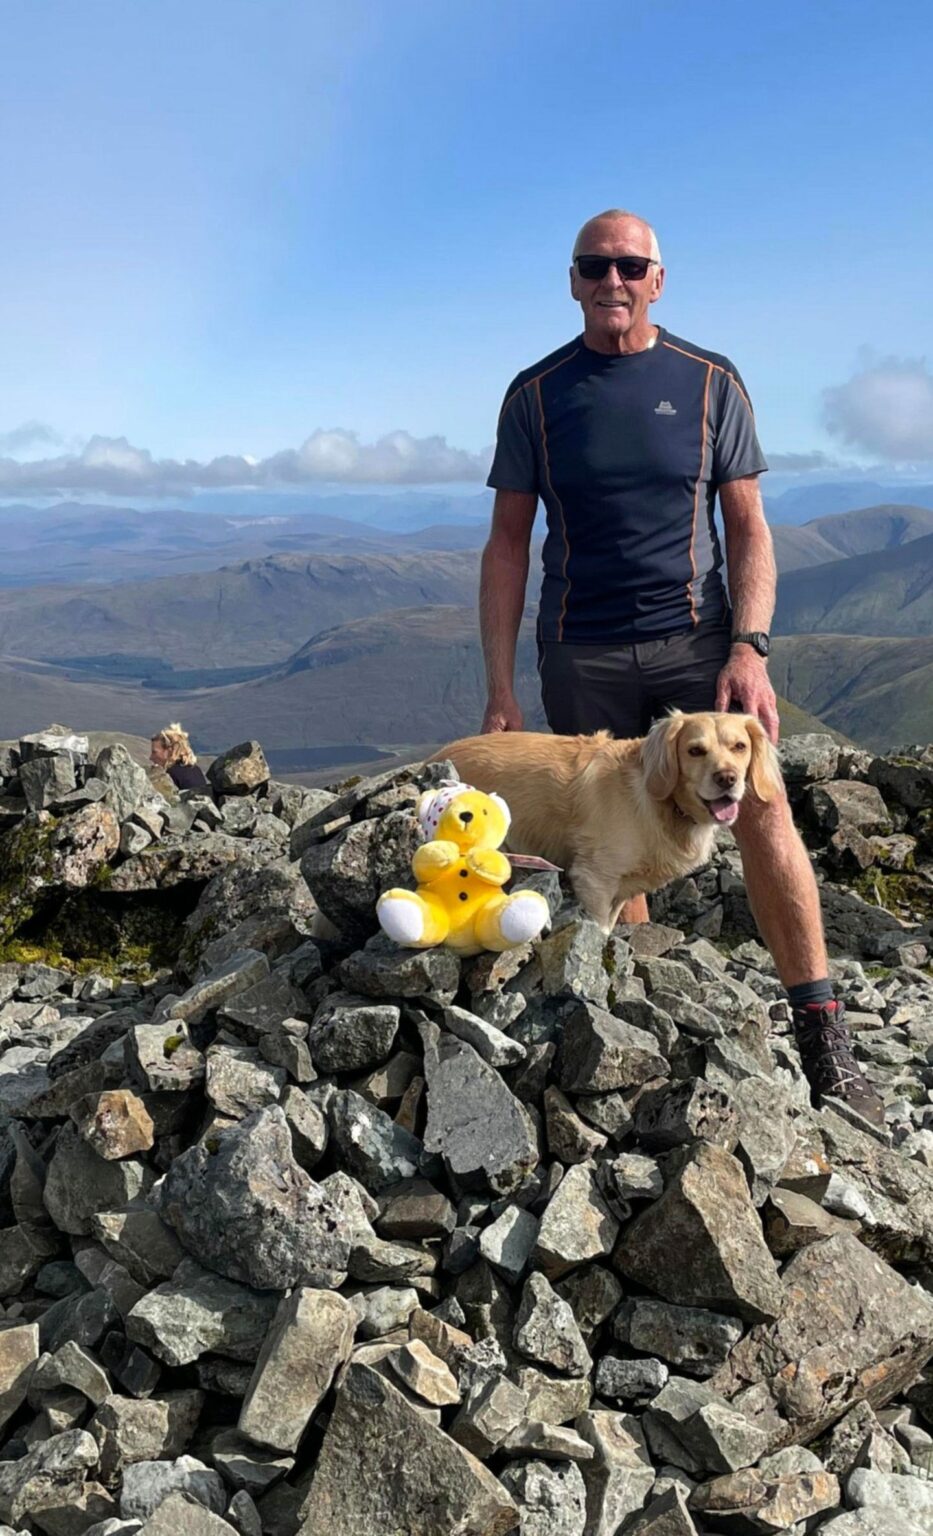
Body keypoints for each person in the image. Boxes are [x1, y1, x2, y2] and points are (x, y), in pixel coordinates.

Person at [479, 207, 883, 1127]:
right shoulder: (535, 394)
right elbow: (508, 544)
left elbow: (745, 526)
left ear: (657, 279)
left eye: (629, 265)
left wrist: (749, 646)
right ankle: (631, 1025)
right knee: (610, 841)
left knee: (760, 811)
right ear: (573, 280)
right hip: (578, 648)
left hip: (695, 642)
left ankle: (824, 1040)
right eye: (593, 266)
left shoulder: (709, 381)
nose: (611, 281)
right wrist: (500, 689)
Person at [150, 722, 209, 791]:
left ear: (169, 751)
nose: (151, 757)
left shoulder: (171, 774)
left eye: (154, 752)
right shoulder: (194, 769)